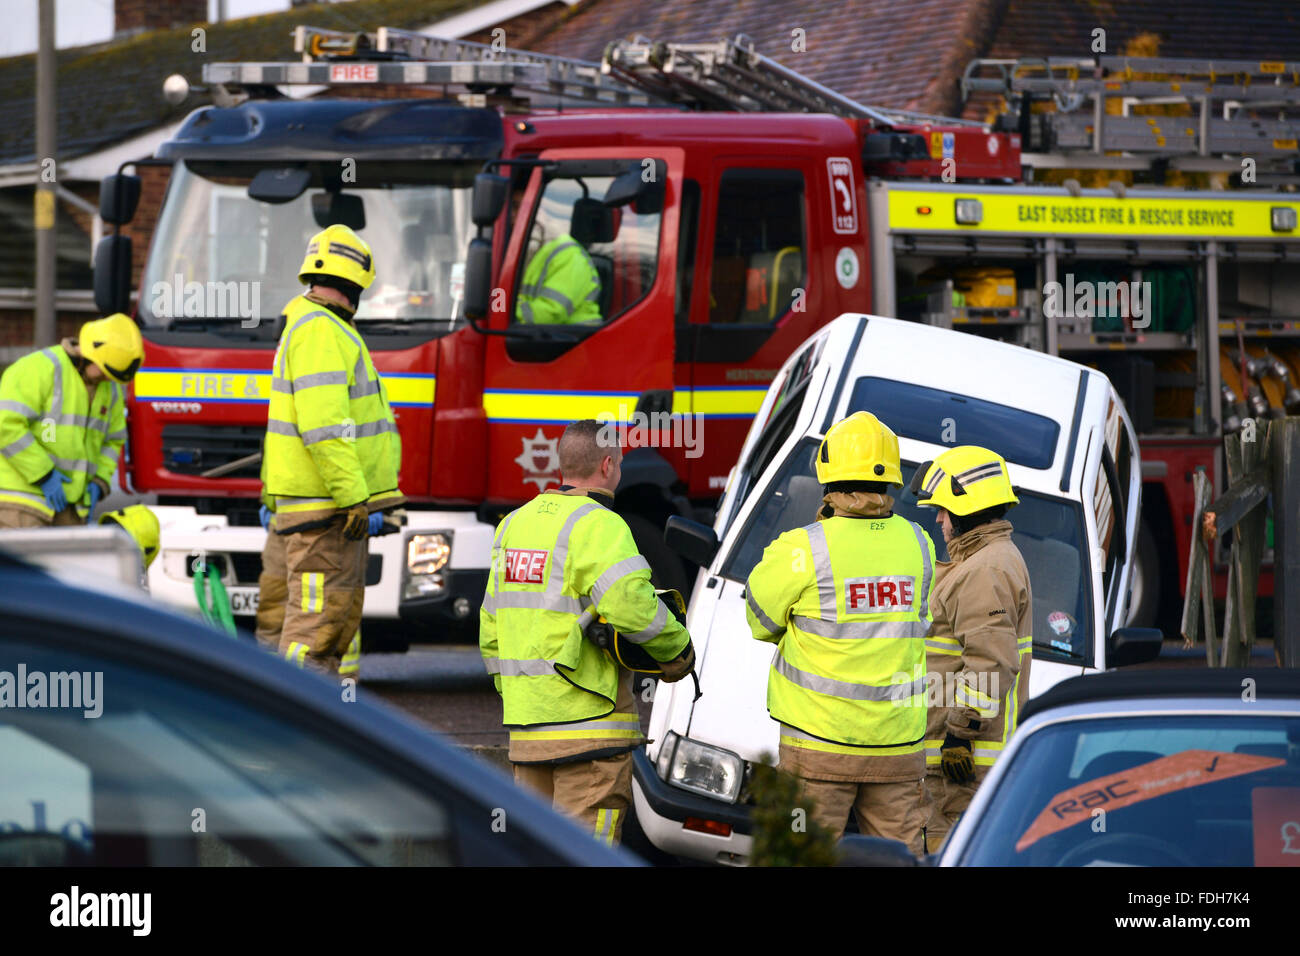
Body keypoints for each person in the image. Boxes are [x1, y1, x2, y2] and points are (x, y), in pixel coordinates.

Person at [480, 419, 695, 846]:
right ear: (609, 465)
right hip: (590, 733)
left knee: (535, 851)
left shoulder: (513, 525)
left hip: (527, 733)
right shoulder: (600, 524)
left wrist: (520, 695)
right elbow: (631, 606)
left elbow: (490, 627)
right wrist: (678, 649)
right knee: (586, 853)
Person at [745, 411, 936, 854]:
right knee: (902, 862)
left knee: (801, 857)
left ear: (827, 478)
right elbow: (918, 621)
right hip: (898, 748)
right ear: (891, 476)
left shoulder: (803, 547)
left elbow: (760, 620)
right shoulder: (920, 543)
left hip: (818, 746)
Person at [263, 224, 404, 679]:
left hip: (323, 509)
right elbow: (325, 429)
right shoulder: (322, 331)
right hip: (328, 511)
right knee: (316, 633)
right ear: (357, 283)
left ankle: (309, 716)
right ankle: (295, 718)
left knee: (327, 627)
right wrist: (353, 497)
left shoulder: (314, 325)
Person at [910, 445, 1032, 851]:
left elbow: (990, 661)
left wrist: (960, 735)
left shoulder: (985, 570)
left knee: (945, 852)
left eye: (944, 511)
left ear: (967, 509)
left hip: (963, 765)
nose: (939, 520)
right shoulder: (985, 561)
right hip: (965, 760)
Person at [0, 314, 140, 528]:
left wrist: (100, 481)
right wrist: (44, 475)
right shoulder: (39, 369)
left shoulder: (108, 388)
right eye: (105, 372)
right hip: (20, 504)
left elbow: (114, 439)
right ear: (89, 354)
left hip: (71, 510)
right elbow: (6, 424)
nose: (108, 379)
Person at [515, 232, 602, 325]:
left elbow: (551, 313)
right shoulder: (548, 252)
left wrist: (506, 313)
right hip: (555, 331)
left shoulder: (570, 256)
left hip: (576, 332)